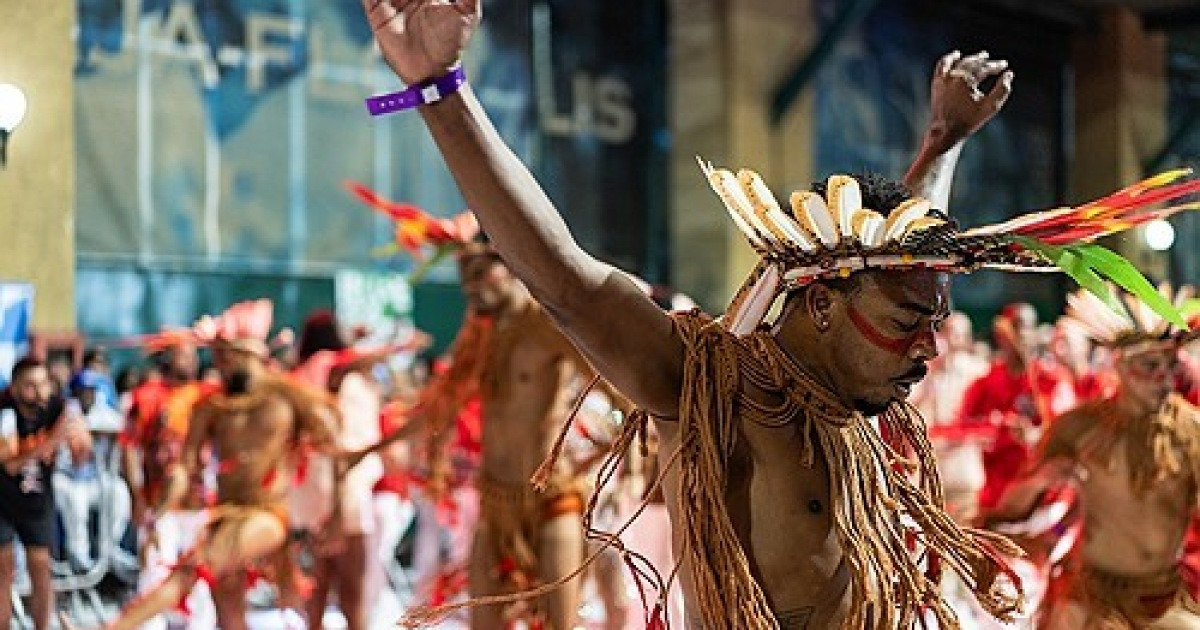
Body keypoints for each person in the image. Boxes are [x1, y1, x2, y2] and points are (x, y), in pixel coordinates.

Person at [359, 4, 1200, 627]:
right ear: (824, 306)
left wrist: (943, 143)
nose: (926, 350)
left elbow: (904, 260)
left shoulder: (852, 381)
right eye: (911, 324)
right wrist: (440, 92)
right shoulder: (703, 384)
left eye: (934, 325)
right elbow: (566, 279)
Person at [68, 300, 356, 630]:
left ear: (246, 354)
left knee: (195, 566)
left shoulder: (288, 395)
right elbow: (185, 466)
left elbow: (336, 448)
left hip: (268, 516)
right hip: (223, 515)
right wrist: (159, 509)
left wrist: (336, 513)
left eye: (223, 356)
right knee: (230, 617)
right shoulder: (211, 405)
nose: (216, 364)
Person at [988, 286, 1200, 629]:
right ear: (1121, 365)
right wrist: (1042, 479)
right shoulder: (1078, 427)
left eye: (1171, 366)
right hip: (1091, 597)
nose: (1165, 380)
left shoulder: (1193, 431)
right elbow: (1009, 510)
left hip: (1165, 596)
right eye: (1151, 365)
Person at [958, 304, 1077, 514]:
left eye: (1024, 328)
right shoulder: (985, 382)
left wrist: (1035, 435)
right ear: (999, 334)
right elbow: (962, 427)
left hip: (1043, 503)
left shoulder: (1052, 380)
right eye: (1011, 329)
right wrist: (994, 427)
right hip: (996, 500)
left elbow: (1066, 435)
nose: (1017, 336)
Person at [0, 358, 91, 630]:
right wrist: (52, 441)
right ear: (15, 388)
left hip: (37, 497)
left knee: (41, 567)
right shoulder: (5, 410)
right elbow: (10, 464)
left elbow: (80, 456)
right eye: (30, 386)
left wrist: (79, 440)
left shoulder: (58, 407)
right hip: (2, 497)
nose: (39, 393)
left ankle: (43, 626)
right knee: (4, 569)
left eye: (43, 385)